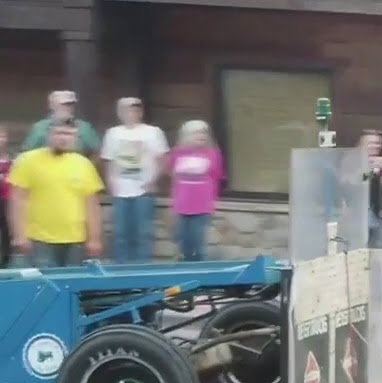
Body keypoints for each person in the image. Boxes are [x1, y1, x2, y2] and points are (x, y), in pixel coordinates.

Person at [6, 118, 104, 268]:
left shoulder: (84, 164)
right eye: (59, 133)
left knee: (72, 285)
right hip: (39, 239)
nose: (63, 138)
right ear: (49, 135)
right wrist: (19, 236)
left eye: (69, 134)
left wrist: (95, 239)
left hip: (75, 240)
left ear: (75, 138)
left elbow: (92, 205)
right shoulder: (27, 161)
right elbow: (17, 200)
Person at [101, 97, 169, 263]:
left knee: (143, 233)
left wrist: (154, 180)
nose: (130, 113)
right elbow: (108, 159)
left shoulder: (153, 132)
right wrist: (110, 182)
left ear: (140, 112)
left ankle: (142, 269)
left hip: (144, 190)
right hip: (120, 191)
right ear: (119, 112)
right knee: (120, 233)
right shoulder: (113, 133)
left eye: (134, 109)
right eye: (126, 109)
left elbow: (163, 159)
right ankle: (120, 270)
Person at [164, 119, 224, 262]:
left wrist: (212, 203)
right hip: (181, 206)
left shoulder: (213, 154)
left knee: (198, 246)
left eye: (204, 132)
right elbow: (173, 179)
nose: (201, 136)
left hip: (201, 207)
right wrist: (172, 205)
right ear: (187, 135)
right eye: (197, 133)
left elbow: (216, 178)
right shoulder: (177, 153)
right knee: (183, 246)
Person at [22, 90, 100, 155]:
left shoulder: (84, 128)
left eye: (71, 105)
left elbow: (97, 152)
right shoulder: (40, 128)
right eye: (64, 104)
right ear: (52, 106)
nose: (69, 108)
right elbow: (26, 154)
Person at [0, 123, 12, 267]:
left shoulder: (13, 157)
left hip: (8, 201)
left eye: (2, 136)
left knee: (7, 234)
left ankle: (5, 264)